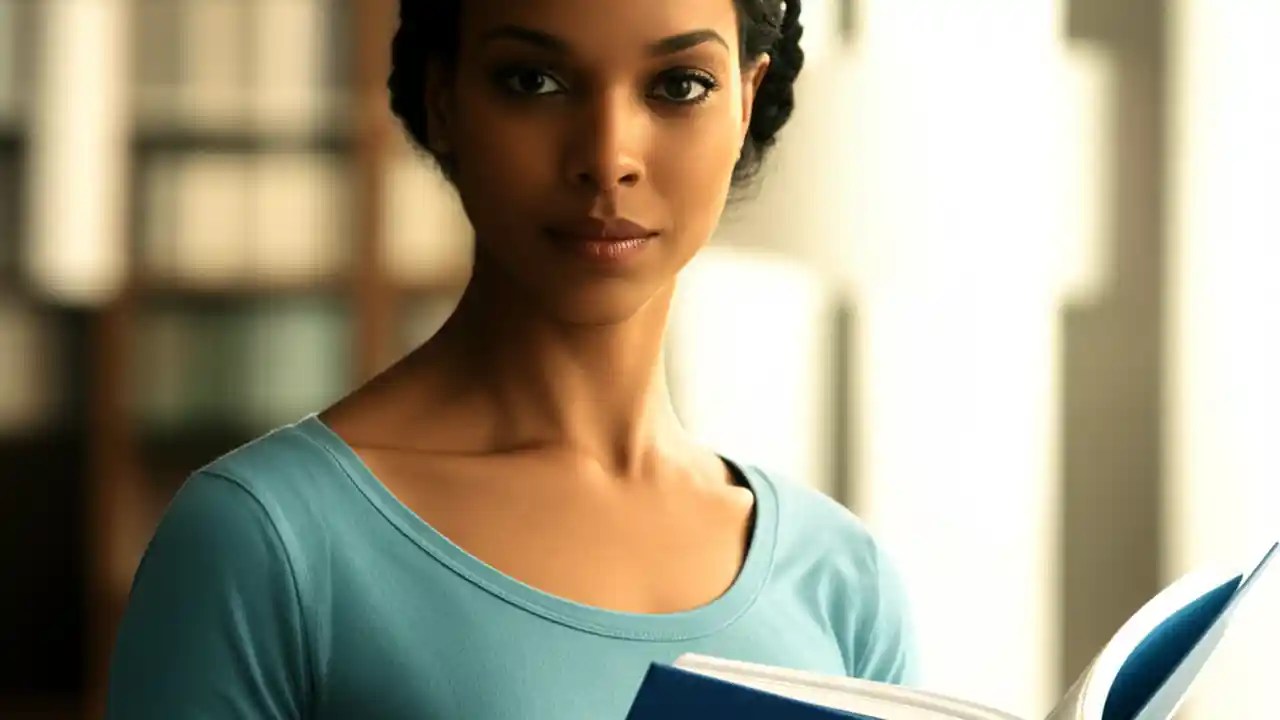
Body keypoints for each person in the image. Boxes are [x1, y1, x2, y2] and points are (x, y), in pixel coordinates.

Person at [106, 0, 919, 717]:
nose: (608, 158)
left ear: (746, 98)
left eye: (678, 86)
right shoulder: (266, 541)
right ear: (443, 97)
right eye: (534, 81)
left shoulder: (840, 581)